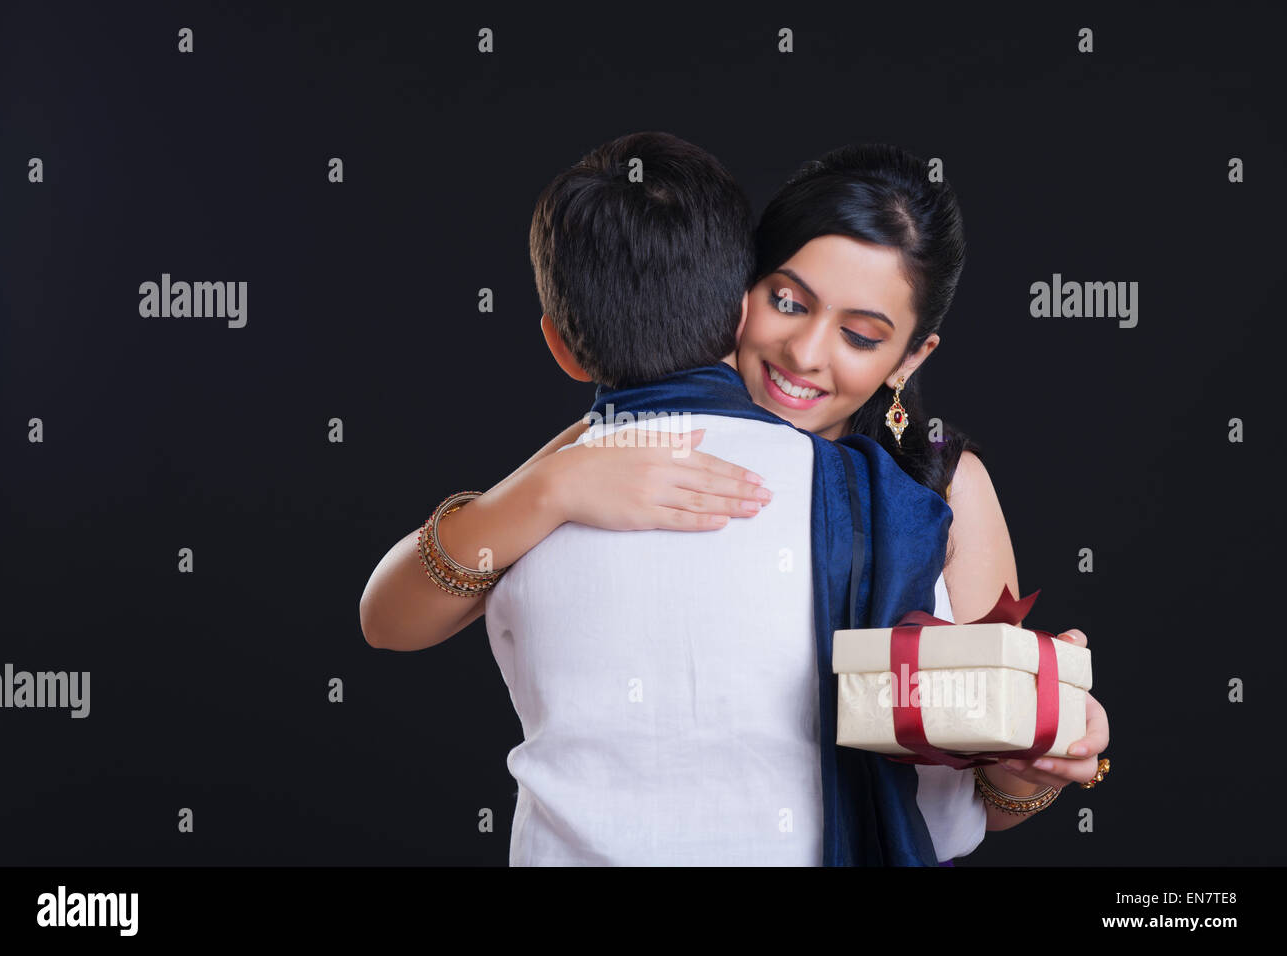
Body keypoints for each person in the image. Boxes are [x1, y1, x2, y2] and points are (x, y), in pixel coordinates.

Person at [359, 134, 1110, 864]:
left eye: (859, 336)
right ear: (736, 291)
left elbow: (983, 793)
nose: (804, 354)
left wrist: (1036, 761)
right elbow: (389, 617)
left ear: (909, 358)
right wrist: (550, 487)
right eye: (788, 301)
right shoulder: (613, 444)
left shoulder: (939, 486)